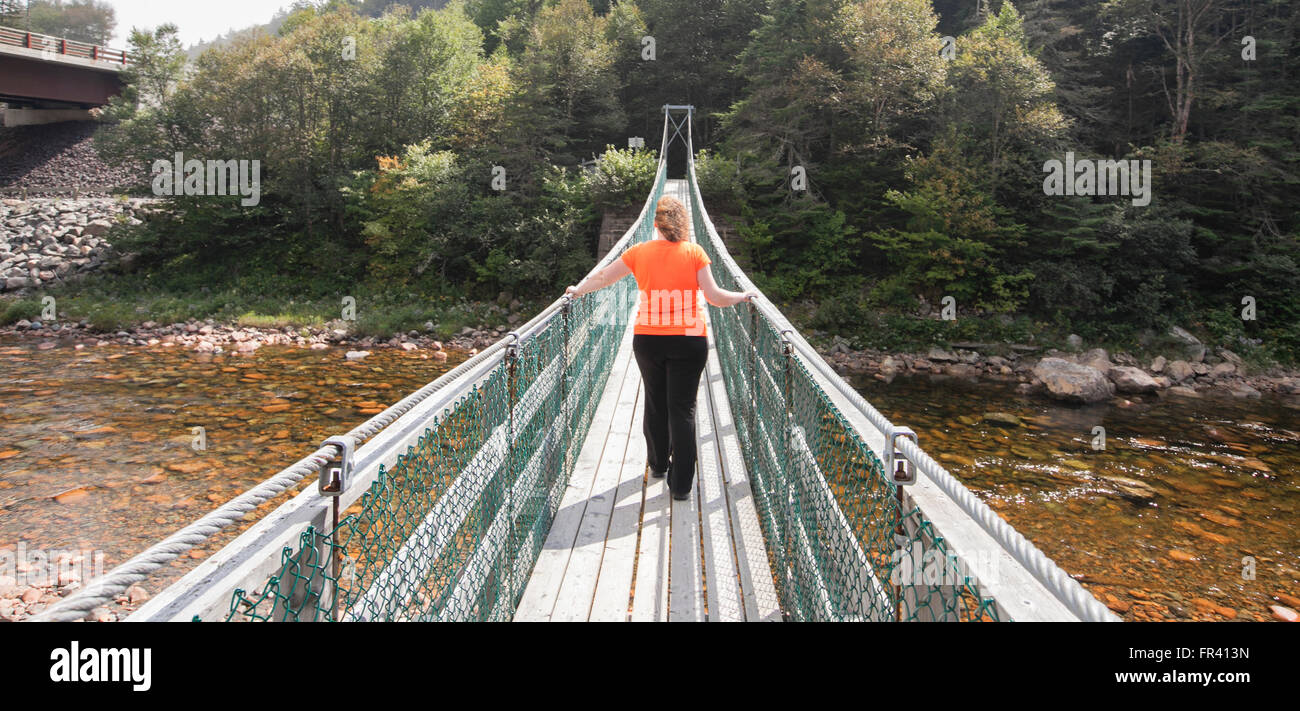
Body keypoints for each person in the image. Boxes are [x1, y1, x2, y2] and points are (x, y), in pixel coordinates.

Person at [565, 196, 756, 501]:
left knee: (656, 401)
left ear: (655, 224)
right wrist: (743, 296)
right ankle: (681, 486)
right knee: (683, 409)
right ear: (684, 224)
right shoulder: (695, 252)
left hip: (649, 339)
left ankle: (657, 464)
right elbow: (715, 297)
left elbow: (603, 278)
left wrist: (578, 290)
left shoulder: (639, 252)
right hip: (690, 340)